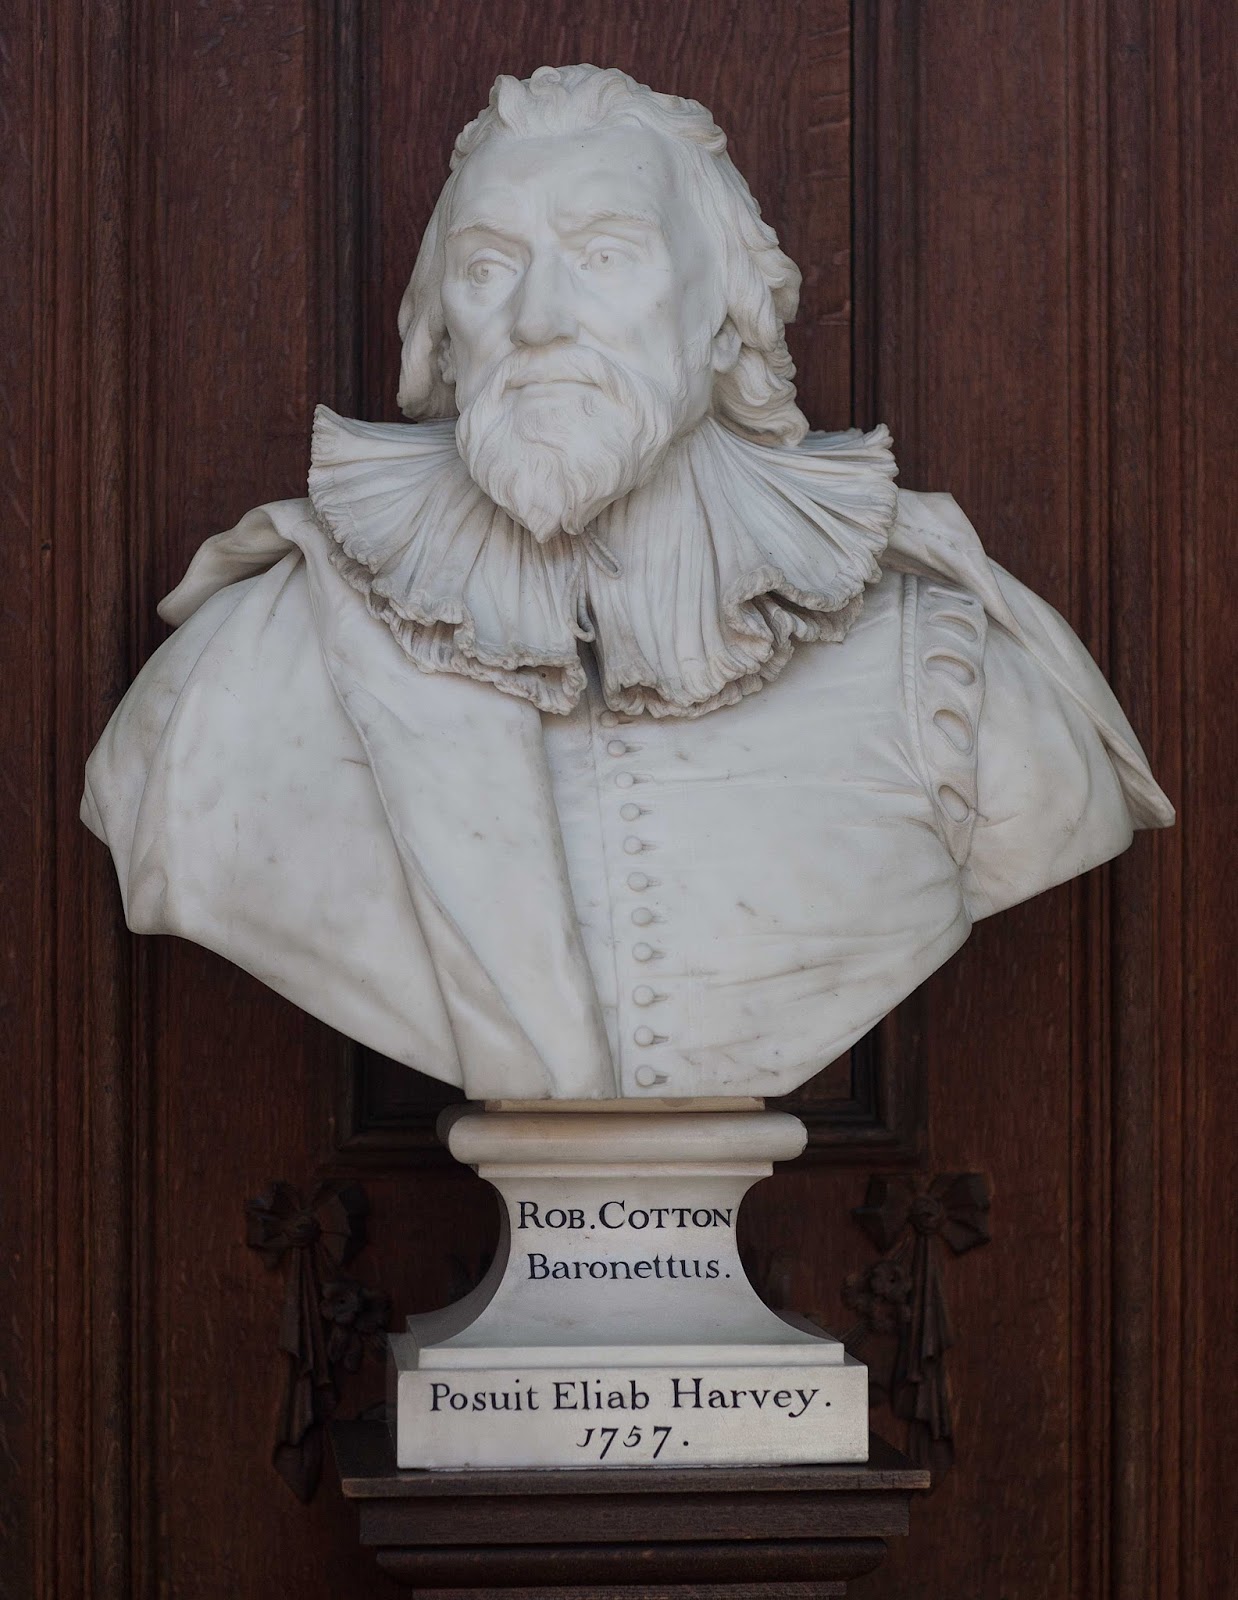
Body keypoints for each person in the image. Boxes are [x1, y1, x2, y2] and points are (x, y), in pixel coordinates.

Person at [82, 65, 1172, 1102]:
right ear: (442, 342)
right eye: (486, 268)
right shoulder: (241, 682)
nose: (540, 317)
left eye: (605, 256)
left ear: (726, 318)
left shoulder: (955, 674)